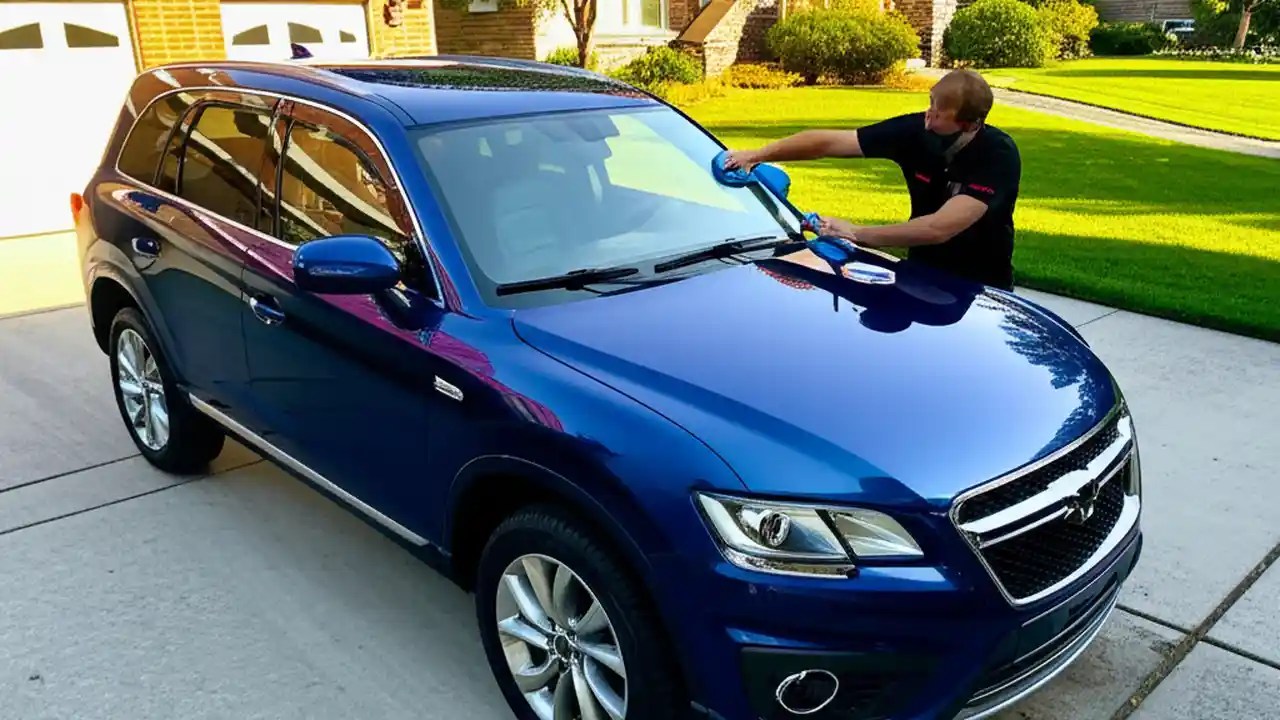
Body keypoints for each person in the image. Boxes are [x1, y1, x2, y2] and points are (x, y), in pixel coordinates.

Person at [724, 69, 1021, 290]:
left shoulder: (997, 155)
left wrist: (857, 232)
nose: (928, 118)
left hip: (983, 287)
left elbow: (938, 228)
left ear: (970, 124)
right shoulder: (913, 132)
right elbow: (826, 143)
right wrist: (757, 155)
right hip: (921, 272)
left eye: (939, 114)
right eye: (929, 104)